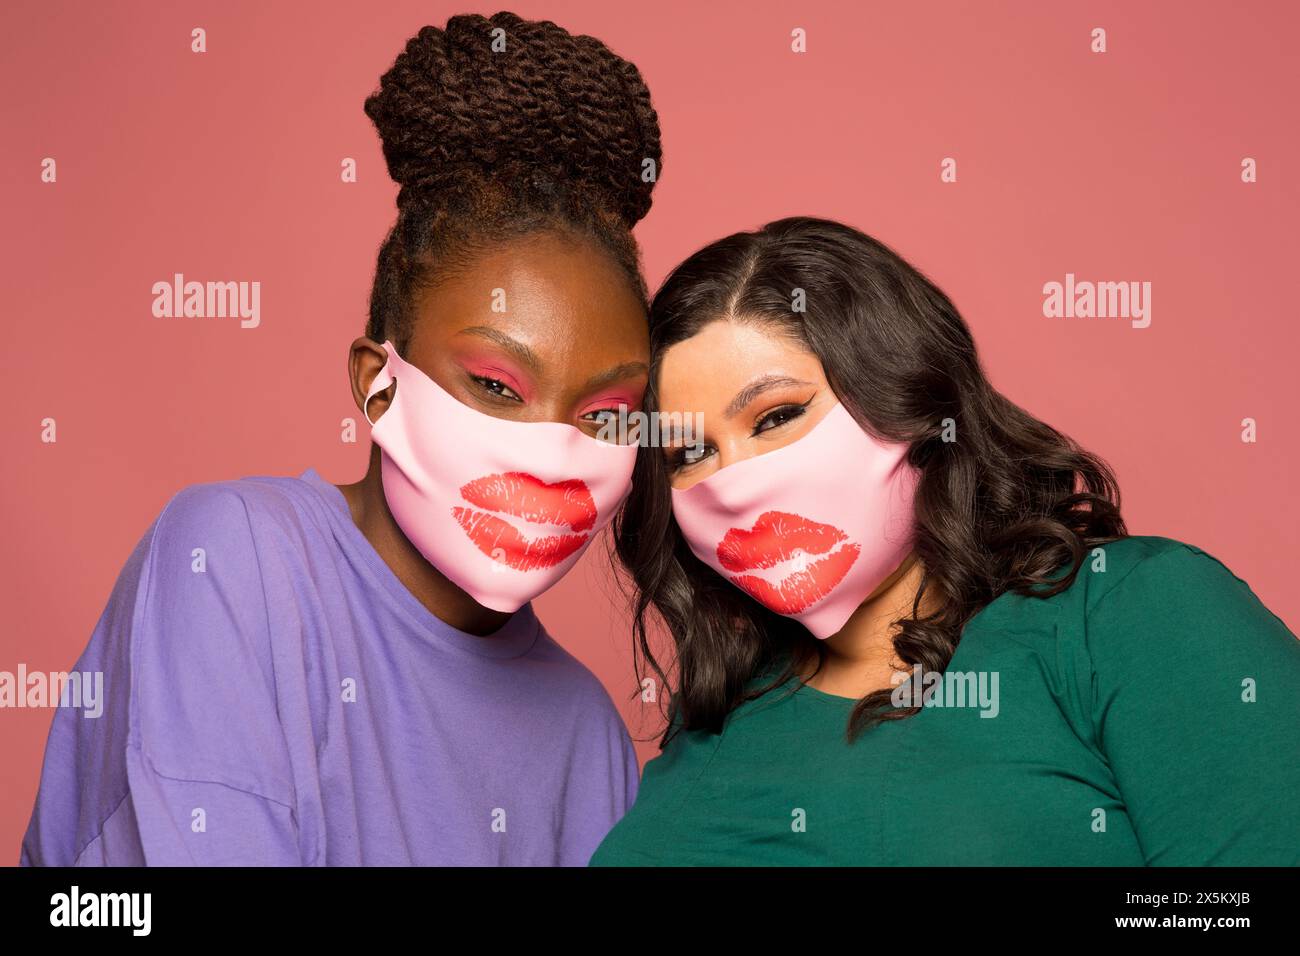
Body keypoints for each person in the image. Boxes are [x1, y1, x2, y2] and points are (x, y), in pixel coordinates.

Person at [22, 11, 663, 866]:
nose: (551, 454)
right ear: (377, 382)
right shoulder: (236, 556)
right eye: (497, 387)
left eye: (605, 413)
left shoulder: (587, 733)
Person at [590, 215, 1300, 866]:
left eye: (777, 417)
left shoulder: (1131, 613)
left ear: (913, 405)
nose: (733, 485)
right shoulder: (719, 708)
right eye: (688, 454)